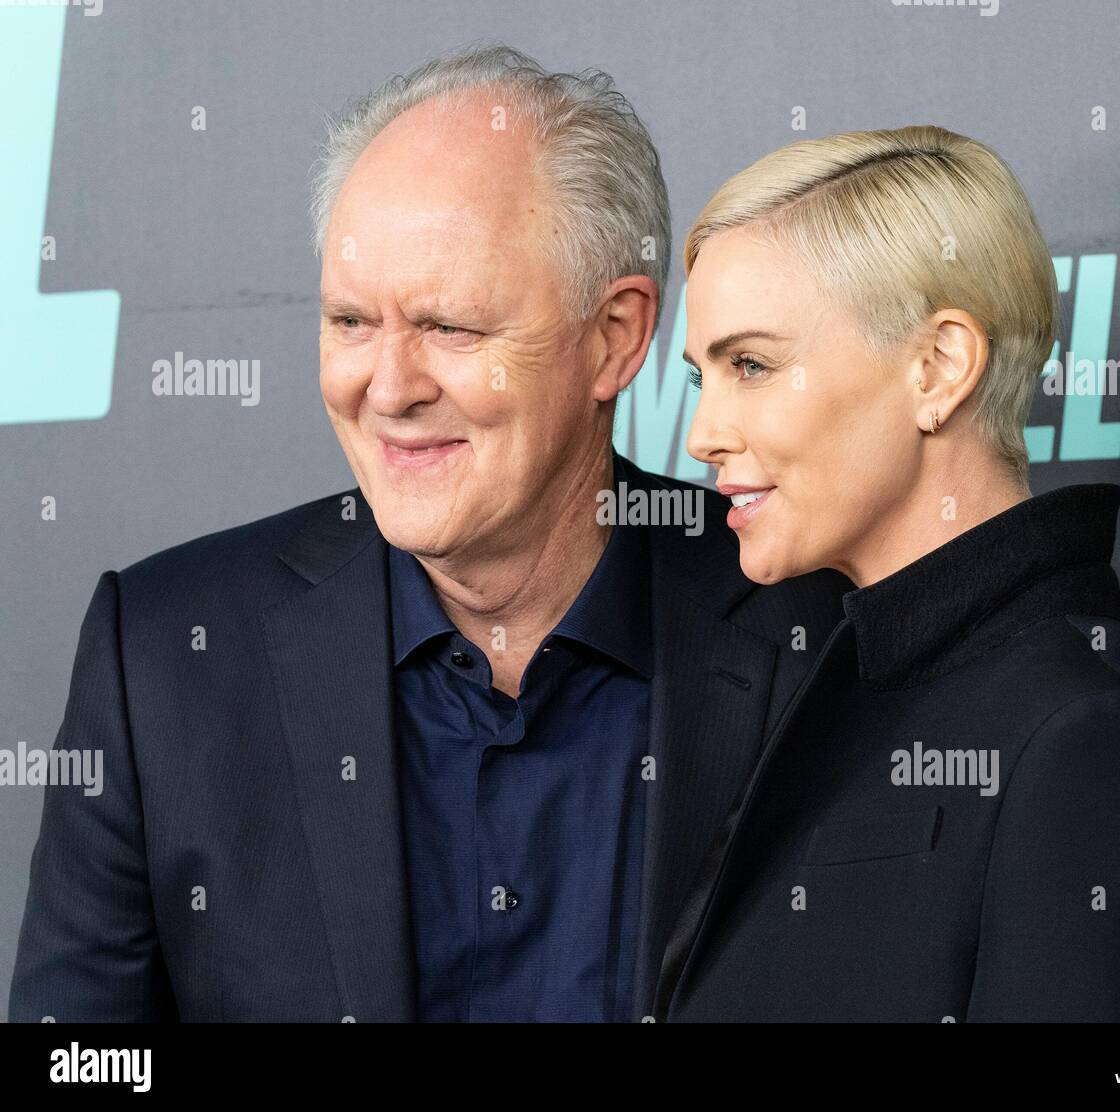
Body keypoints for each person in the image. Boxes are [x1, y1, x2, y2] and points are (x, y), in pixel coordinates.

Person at [8, 45, 849, 1023]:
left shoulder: (821, 622)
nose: (390, 386)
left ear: (614, 337)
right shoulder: (161, 654)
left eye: (450, 327)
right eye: (351, 321)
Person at [657, 125, 1120, 1021]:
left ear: (938, 367)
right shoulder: (831, 673)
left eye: (752, 365)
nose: (702, 434)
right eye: (705, 377)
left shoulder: (1086, 738)